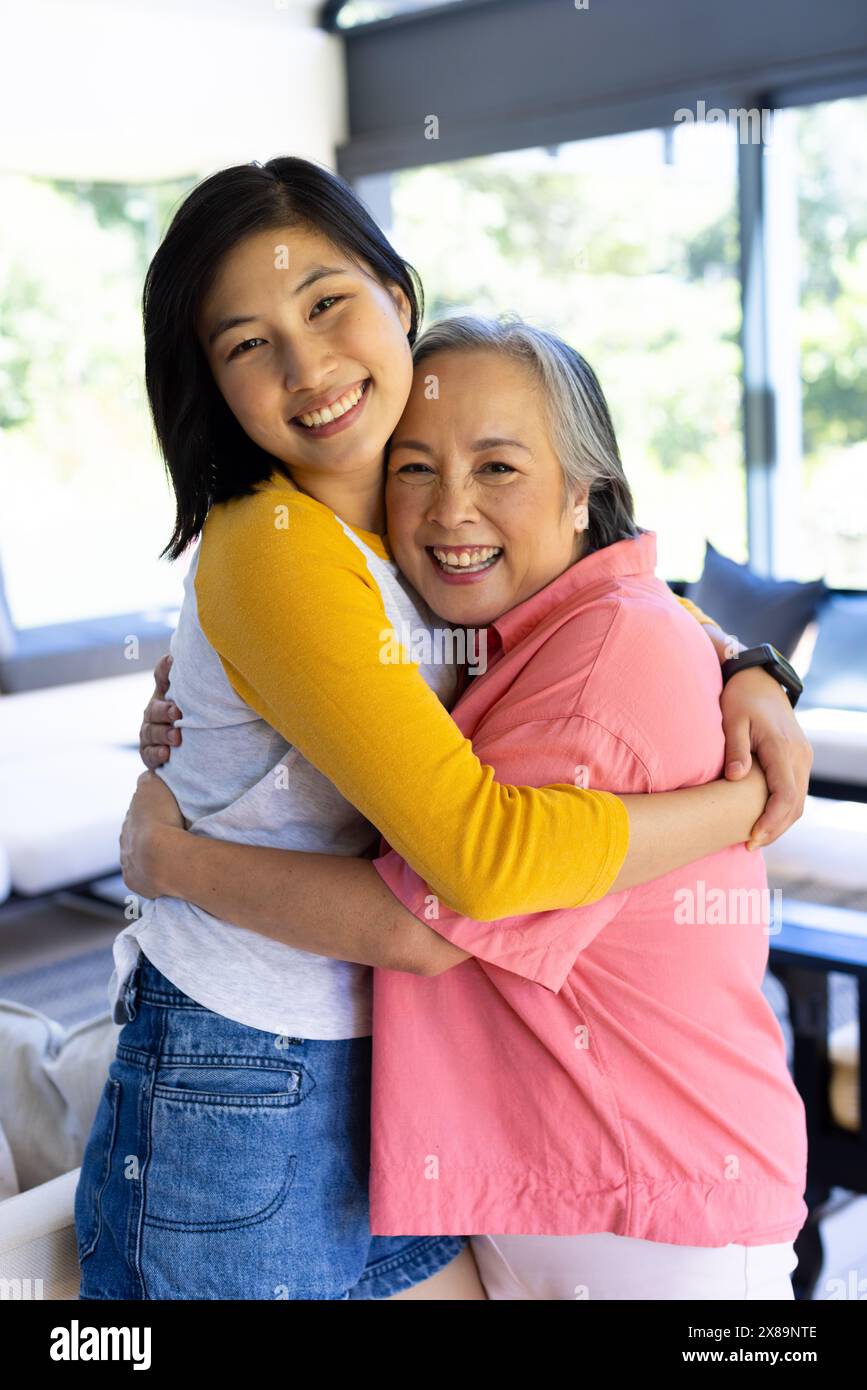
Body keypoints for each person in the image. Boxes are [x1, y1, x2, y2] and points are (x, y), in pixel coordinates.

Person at [78, 156, 811, 1302]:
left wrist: (746, 661)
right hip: (243, 1062)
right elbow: (471, 870)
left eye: (326, 304)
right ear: (212, 385)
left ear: (396, 300)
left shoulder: (401, 512)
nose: (310, 366)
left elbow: (588, 589)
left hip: (382, 1068)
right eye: (246, 344)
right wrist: (730, 807)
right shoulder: (281, 544)